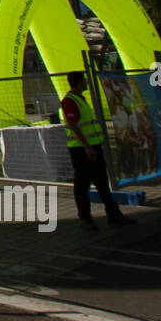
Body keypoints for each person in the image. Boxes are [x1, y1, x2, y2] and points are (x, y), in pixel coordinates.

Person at [61, 71, 136, 230]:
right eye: (85, 80)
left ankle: (113, 213)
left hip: (93, 146)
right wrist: (87, 147)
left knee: (102, 181)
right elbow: (73, 125)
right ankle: (85, 217)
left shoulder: (81, 99)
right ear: (79, 82)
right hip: (81, 150)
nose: (87, 83)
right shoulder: (69, 101)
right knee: (82, 184)